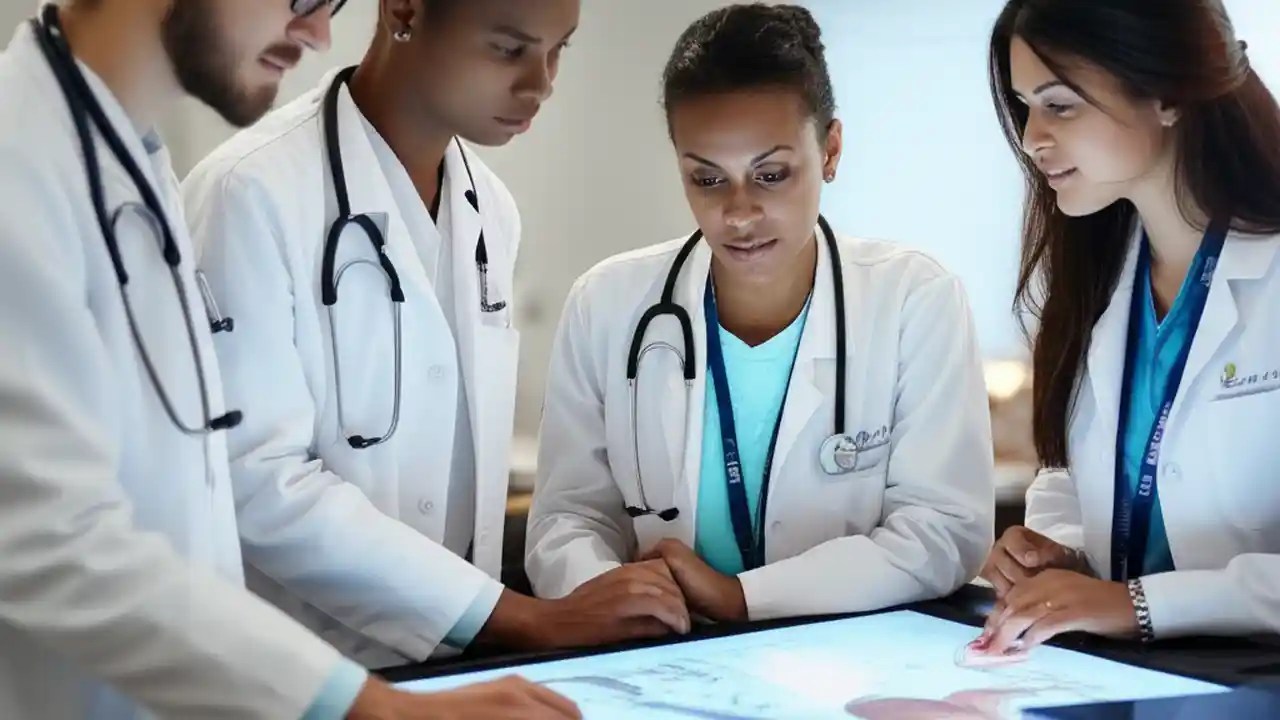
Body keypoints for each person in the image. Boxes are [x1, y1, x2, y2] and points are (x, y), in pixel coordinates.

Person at [0, 1, 580, 718]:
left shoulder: (122, 167)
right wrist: (373, 704)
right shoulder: (23, 169)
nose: (318, 33)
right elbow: (53, 546)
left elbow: (175, 512)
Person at [182, 0, 689, 669]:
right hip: (293, 677)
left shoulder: (491, 213)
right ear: (405, 10)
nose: (541, 83)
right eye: (509, 49)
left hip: (449, 670)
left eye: (558, 49)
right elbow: (259, 481)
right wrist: (526, 620)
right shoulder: (249, 192)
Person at [525, 3, 994, 625]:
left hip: (851, 658)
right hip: (661, 655)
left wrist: (744, 598)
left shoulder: (914, 298)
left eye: (770, 174)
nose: (739, 214)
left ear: (830, 149)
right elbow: (567, 518)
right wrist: (611, 593)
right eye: (707, 179)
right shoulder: (607, 304)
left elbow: (943, 532)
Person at [976, 0, 1280, 656]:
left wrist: (1140, 603)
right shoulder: (1097, 271)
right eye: (1026, 105)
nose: (1031, 138)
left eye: (1059, 105)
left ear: (1167, 94)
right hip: (1133, 676)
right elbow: (1072, 469)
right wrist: (1063, 556)